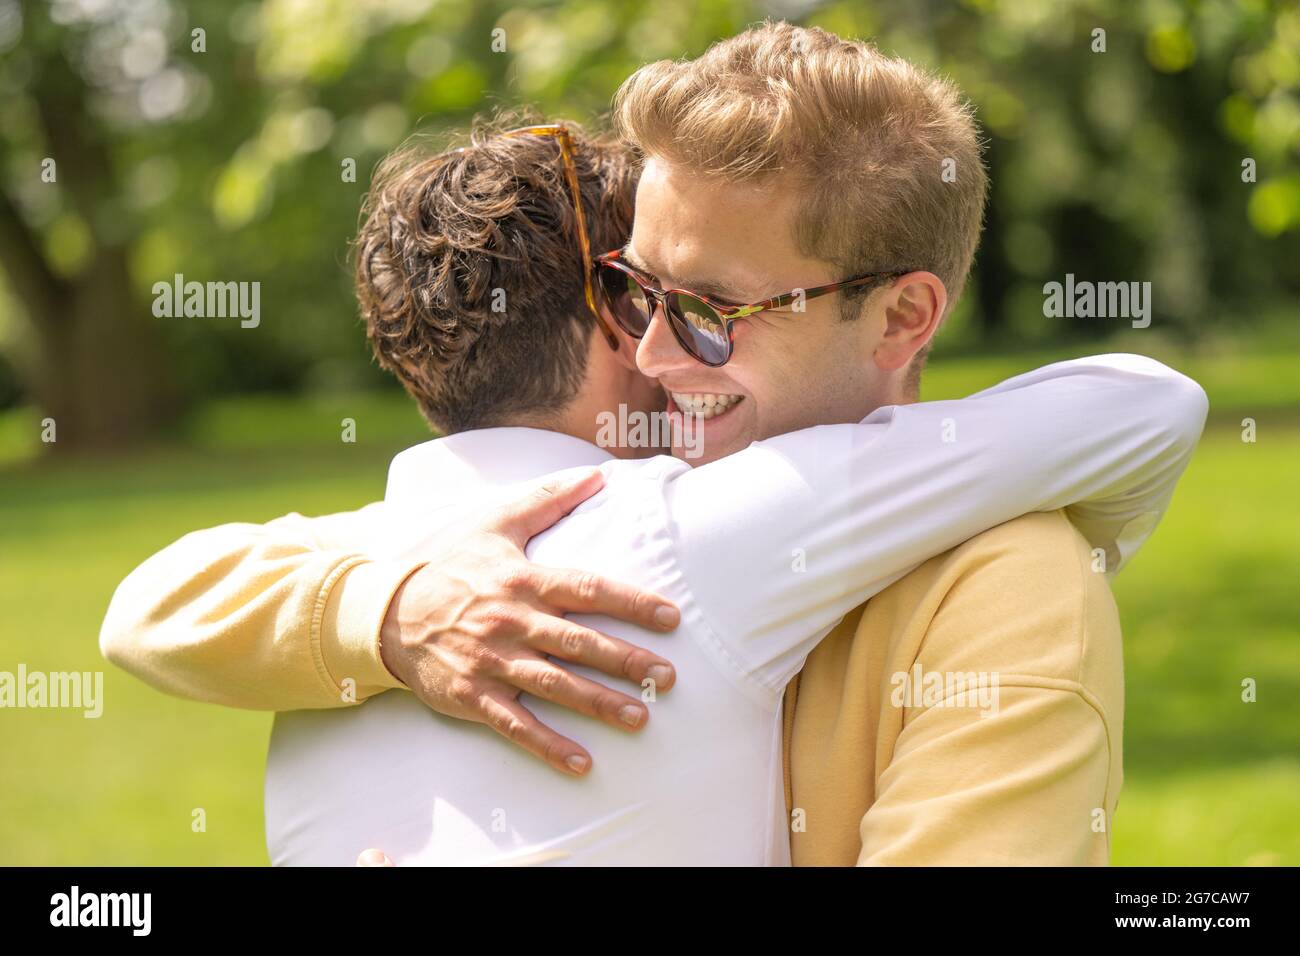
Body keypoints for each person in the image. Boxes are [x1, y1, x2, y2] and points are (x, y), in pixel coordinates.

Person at [100, 24, 1207, 865]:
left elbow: (1143, 403)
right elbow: (153, 601)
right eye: (635, 291)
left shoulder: (1003, 582)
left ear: (904, 316)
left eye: (714, 308)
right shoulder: (482, 564)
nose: (662, 354)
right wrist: (388, 612)